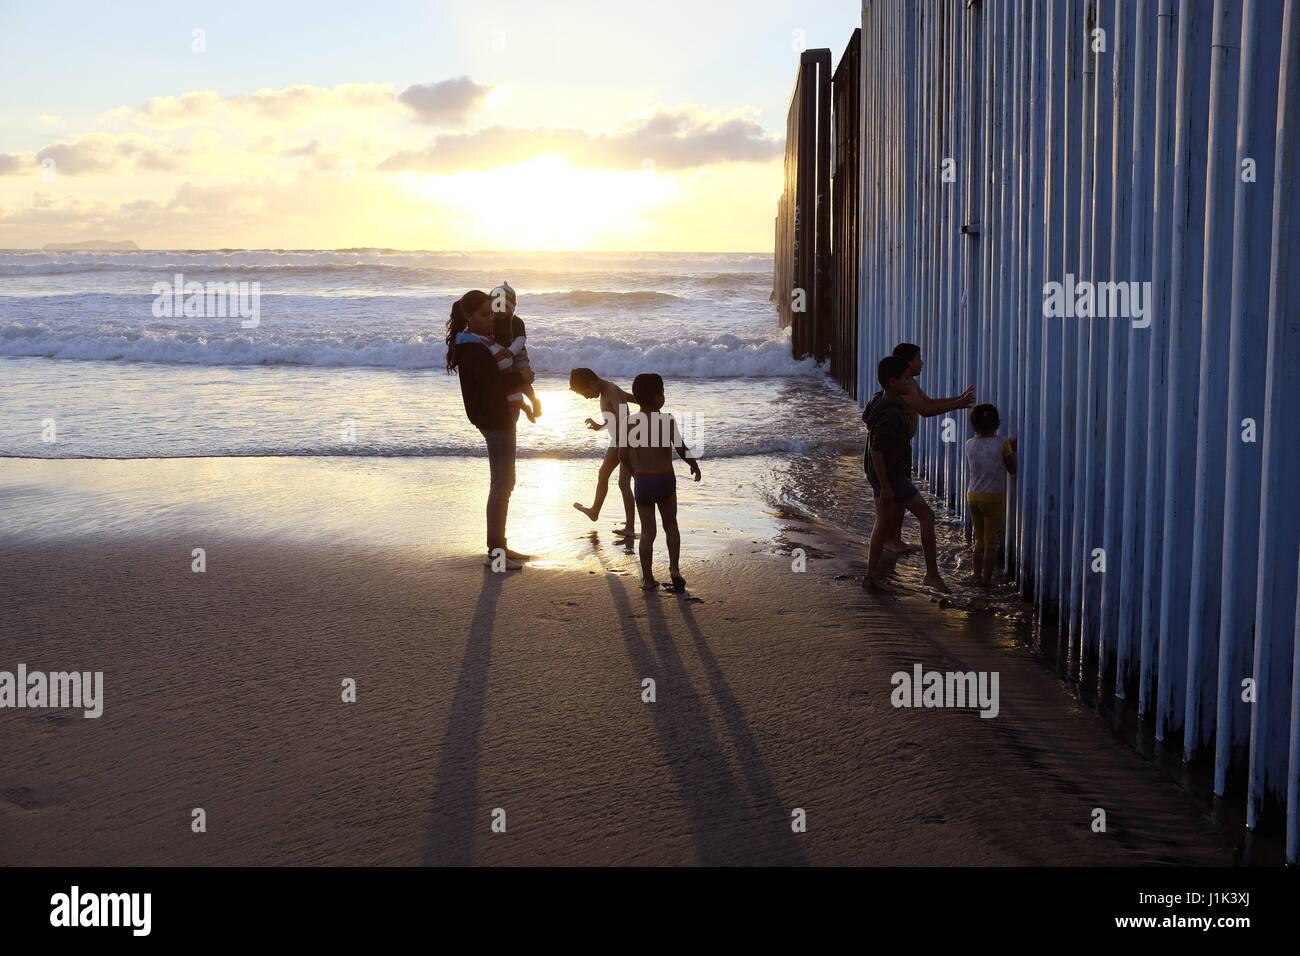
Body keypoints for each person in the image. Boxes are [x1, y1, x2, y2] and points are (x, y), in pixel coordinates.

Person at [446, 289, 529, 570]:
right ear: (468, 316)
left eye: (491, 313)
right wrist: (522, 377)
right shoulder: (471, 347)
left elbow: (498, 378)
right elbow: (491, 385)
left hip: (502, 416)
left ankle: (500, 546)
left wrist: (525, 404)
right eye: (483, 315)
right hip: (496, 418)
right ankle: (496, 553)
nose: (490, 318)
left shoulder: (480, 341)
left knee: (506, 481)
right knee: (502, 483)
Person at [863, 355, 950, 594]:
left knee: (882, 523)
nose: (910, 383)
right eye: (905, 379)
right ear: (892, 382)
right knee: (927, 516)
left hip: (883, 475)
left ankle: (871, 575)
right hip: (891, 476)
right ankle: (931, 575)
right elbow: (877, 450)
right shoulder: (890, 412)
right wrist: (886, 486)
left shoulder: (878, 401)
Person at [881, 342, 976, 554]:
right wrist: (958, 405)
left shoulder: (910, 383)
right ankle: (891, 541)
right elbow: (925, 410)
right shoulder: (905, 387)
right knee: (898, 497)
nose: (922, 363)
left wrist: (959, 399)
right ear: (907, 363)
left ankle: (894, 539)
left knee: (898, 498)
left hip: (902, 446)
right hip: (896, 450)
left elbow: (930, 401)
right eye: (918, 359)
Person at [619, 372, 700, 591]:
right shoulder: (666, 420)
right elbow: (681, 448)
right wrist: (694, 464)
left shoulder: (629, 422)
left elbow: (622, 455)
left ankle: (647, 578)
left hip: (643, 482)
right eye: (662, 392)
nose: (663, 396)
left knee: (647, 531)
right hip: (665, 480)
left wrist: (634, 471)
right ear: (657, 398)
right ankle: (674, 569)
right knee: (671, 525)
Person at [569, 367, 637, 538]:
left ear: (592, 383)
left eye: (585, 393)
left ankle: (630, 527)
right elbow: (633, 400)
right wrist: (600, 425)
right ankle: (594, 511)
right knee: (603, 474)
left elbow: (625, 420)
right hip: (619, 441)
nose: (587, 397)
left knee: (623, 483)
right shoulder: (608, 389)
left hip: (626, 441)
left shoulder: (612, 392)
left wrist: (624, 449)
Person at [964, 403, 1017, 587]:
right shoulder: (1002, 443)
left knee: (978, 540)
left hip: (973, 496)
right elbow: (1012, 468)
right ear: (997, 423)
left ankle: (975, 575)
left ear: (973, 425)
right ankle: (986, 580)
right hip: (992, 497)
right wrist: (1011, 451)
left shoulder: (969, 444)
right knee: (991, 541)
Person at [490, 281, 540, 420]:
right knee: (510, 386)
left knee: (523, 381)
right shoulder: (490, 321)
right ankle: (524, 407)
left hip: (517, 355)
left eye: (504, 306)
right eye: (496, 306)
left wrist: (511, 351)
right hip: (500, 356)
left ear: (512, 307)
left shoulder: (516, 322)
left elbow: (520, 340)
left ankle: (534, 400)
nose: (499, 310)